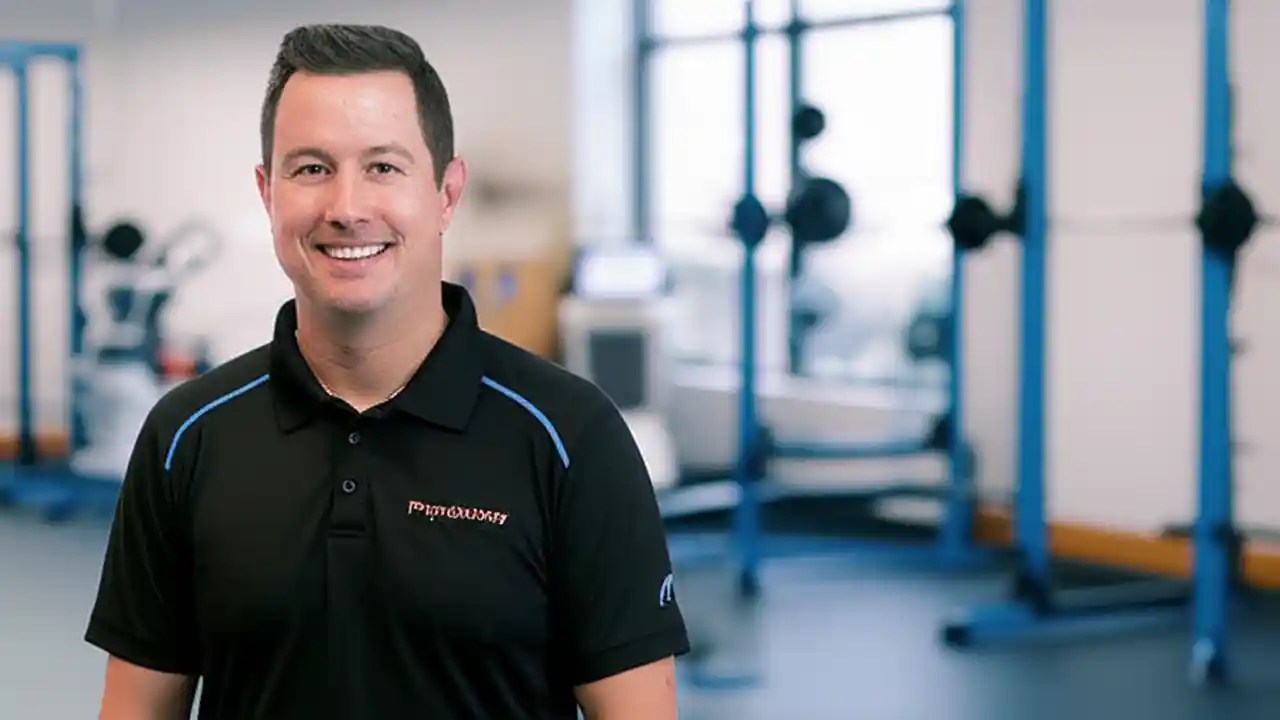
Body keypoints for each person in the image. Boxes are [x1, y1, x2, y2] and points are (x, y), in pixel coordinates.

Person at [85, 23, 689, 719]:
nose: (346, 209)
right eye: (311, 168)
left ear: (446, 192)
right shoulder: (185, 436)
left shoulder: (571, 437)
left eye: (384, 167)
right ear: (267, 191)